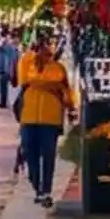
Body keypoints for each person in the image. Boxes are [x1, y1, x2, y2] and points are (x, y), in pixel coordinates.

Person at [17, 36, 73, 207]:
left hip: (50, 118)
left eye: (52, 44)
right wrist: (51, 86)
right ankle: (37, 185)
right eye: (45, 44)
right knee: (29, 152)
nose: (48, 48)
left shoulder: (58, 68)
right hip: (29, 117)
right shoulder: (28, 63)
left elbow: (65, 90)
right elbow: (24, 80)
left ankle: (46, 191)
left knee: (48, 155)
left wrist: (70, 106)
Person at [0, 32, 20, 109]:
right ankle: (4, 102)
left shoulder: (9, 48)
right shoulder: (12, 48)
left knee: (4, 87)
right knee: (4, 87)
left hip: (6, 70)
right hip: (7, 70)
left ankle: (3, 103)